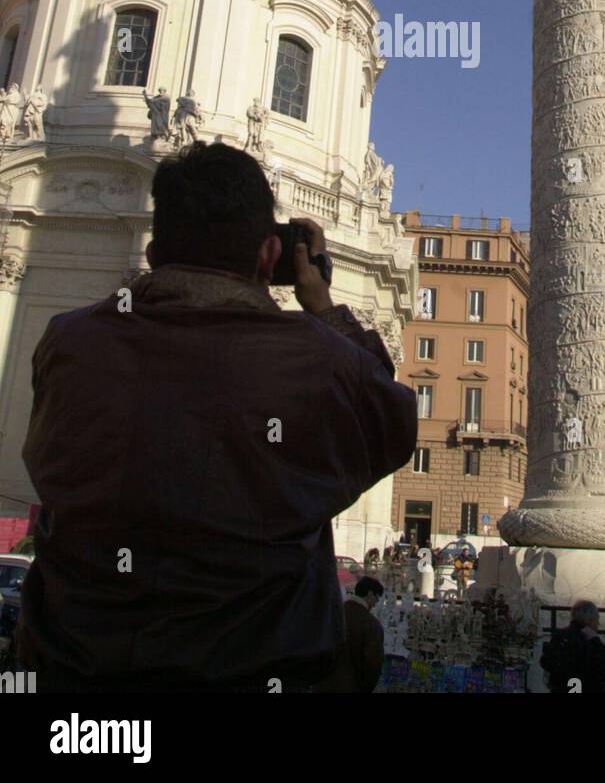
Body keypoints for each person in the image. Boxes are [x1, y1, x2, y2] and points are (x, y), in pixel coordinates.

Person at [17, 141, 417, 693]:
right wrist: (322, 306)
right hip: (252, 670)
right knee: (357, 636)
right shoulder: (316, 360)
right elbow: (391, 422)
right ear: (267, 256)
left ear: (154, 254)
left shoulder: (68, 344)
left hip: (79, 678)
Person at [314, 577, 386, 694]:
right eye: (376, 599)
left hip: (322, 685)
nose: (374, 604)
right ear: (370, 594)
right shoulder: (371, 625)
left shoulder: (330, 614)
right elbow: (373, 666)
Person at [541, 600, 605, 694]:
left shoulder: (560, 635)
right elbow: (604, 672)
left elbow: (546, 662)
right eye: (596, 620)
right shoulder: (592, 642)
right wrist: (596, 641)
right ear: (590, 620)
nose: (598, 624)